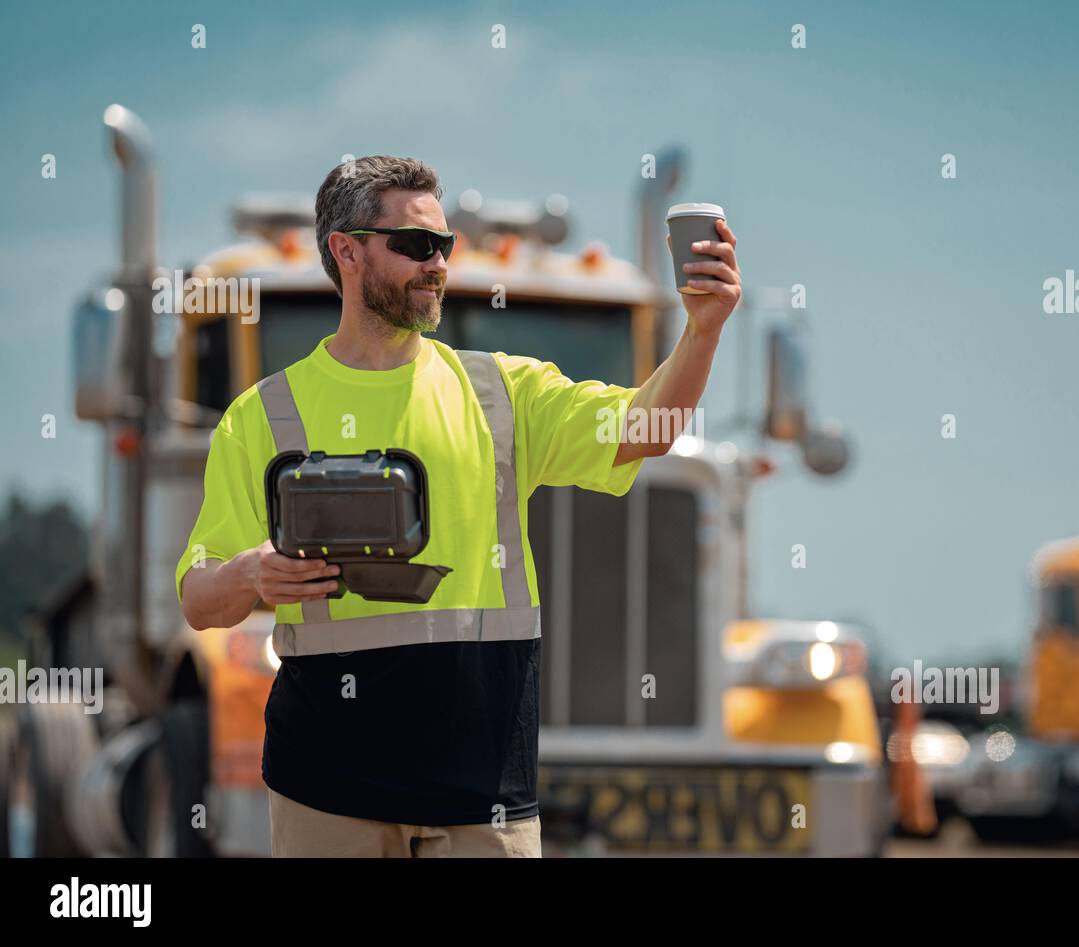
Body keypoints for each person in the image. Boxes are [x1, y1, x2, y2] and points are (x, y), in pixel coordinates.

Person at [175, 155, 741, 857]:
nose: (436, 263)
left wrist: (705, 329)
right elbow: (200, 599)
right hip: (328, 790)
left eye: (443, 246)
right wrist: (253, 574)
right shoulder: (260, 417)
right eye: (414, 245)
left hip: (484, 793)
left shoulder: (503, 394)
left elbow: (646, 429)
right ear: (345, 251)